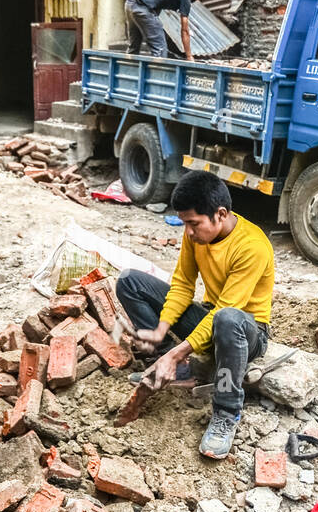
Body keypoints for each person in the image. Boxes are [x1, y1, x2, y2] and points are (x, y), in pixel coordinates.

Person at [115, 170, 273, 459]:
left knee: (226, 318)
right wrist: (162, 332)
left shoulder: (252, 247)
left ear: (220, 214)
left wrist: (176, 352)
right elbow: (183, 285)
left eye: (193, 223)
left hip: (247, 332)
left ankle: (226, 412)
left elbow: (227, 310)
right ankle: (179, 370)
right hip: (214, 318)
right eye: (185, 223)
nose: (187, 231)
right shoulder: (196, 235)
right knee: (130, 281)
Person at [124, 0, 204, 60]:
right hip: (142, 8)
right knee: (160, 48)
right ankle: (159, 71)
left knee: (133, 46)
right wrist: (189, 56)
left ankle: (126, 70)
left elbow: (155, 12)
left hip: (130, 3)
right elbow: (185, 31)